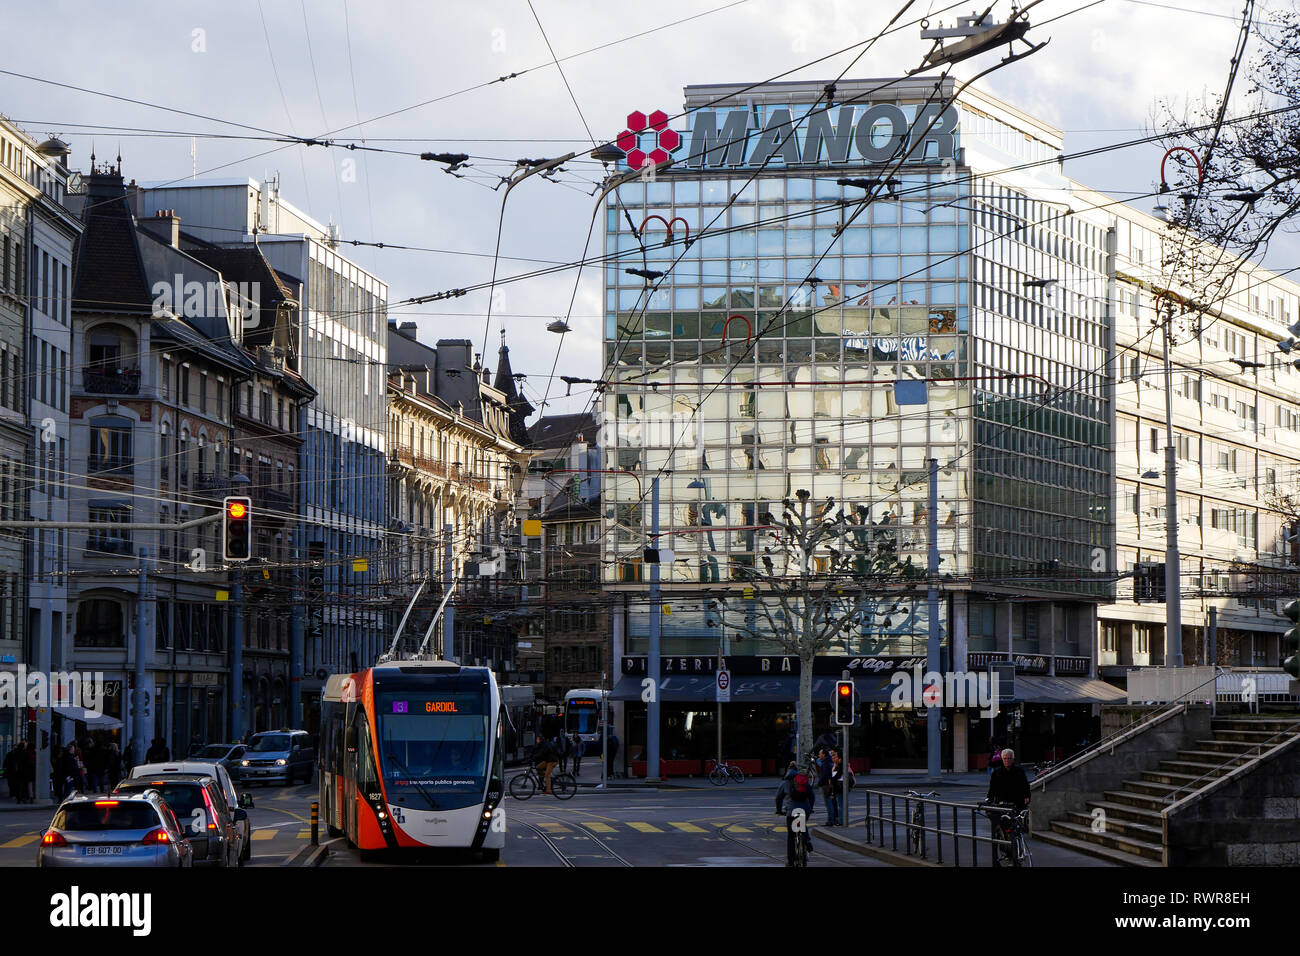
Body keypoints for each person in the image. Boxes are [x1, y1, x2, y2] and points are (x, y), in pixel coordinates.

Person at [986, 748, 1031, 866]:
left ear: (1013, 759)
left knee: (1015, 828)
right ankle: (1006, 852)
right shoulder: (997, 772)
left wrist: (1027, 796)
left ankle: (1016, 850)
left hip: (1016, 803)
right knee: (1002, 830)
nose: (1007, 761)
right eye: (1005, 758)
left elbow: (1025, 785)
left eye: (1009, 758)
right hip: (1002, 804)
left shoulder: (1019, 771)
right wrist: (989, 800)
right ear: (1002, 759)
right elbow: (992, 789)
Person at [781, 762, 817, 866]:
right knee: (801, 824)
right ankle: (807, 841)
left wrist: (778, 810)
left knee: (791, 837)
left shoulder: (786, 782)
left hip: (791, 811)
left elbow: (778, 798)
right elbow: (812, 796)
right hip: (804, 809)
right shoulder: (802, 780)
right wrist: (810, 807)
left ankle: (791, 861)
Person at [816, 747, 834, 823]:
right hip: (828, 784)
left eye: (820, 754)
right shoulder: (827, 761)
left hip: (826, 785)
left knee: (828, 803)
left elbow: (824, 775)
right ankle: (831, 819)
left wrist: (819, 783)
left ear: (824, 754)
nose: (819, 755)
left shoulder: (826, 763)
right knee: (830, 803)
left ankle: (830, 820)